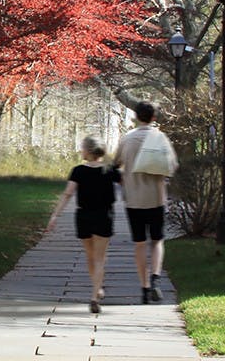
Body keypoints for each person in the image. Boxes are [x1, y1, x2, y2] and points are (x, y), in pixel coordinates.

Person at [114, 102, 178, 303]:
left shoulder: (127, 139)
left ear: (136, 117)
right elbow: (172, 165)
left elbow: (115, 165)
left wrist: (123, 179)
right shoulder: (160, 138)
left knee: (140, 243)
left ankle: (144, 287)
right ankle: (156, 278)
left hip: (133, 200)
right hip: (156, 198)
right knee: (157, 240)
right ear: (154, 118)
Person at [56, 136, 120, 313]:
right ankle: (94, 294)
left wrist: (55, 215)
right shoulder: (109, 169)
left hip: (84, 216)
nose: (80, 150)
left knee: (90, 256)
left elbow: (68, 194)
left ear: (89, 151)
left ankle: (97, 289)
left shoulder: (78, 171)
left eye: (82, 148)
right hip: (104, 216)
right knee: (100, 257)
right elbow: (126, 183)